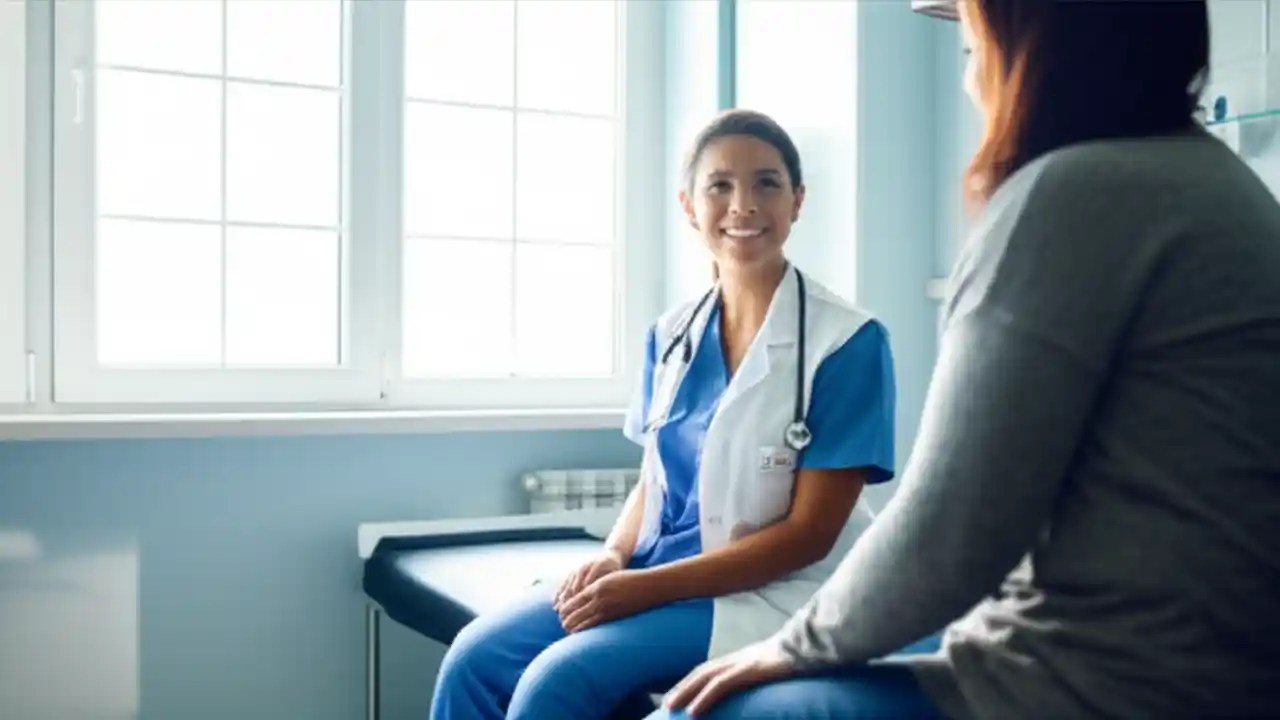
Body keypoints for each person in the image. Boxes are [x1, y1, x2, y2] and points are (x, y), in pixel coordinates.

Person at [655, 1, 1280, 718]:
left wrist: (792, 645)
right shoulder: (1219, 187)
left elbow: (950, 534)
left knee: (685, 712)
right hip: (1220, 668)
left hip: (1098, 680)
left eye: (975, 46)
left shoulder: (1073, 196)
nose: (972, 79)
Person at [429, 109, 905, 720]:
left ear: (797, 201)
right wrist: (614, 556)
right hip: (661, 571)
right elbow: (653, 479)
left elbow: (809, 536)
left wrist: (642, 588)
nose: (743, 205)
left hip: (771, 591)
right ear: (689, 205)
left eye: (767, 183)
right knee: (474, 658)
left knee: (558, 680)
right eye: (720, 186)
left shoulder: (849, 343)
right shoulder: (670, 334)